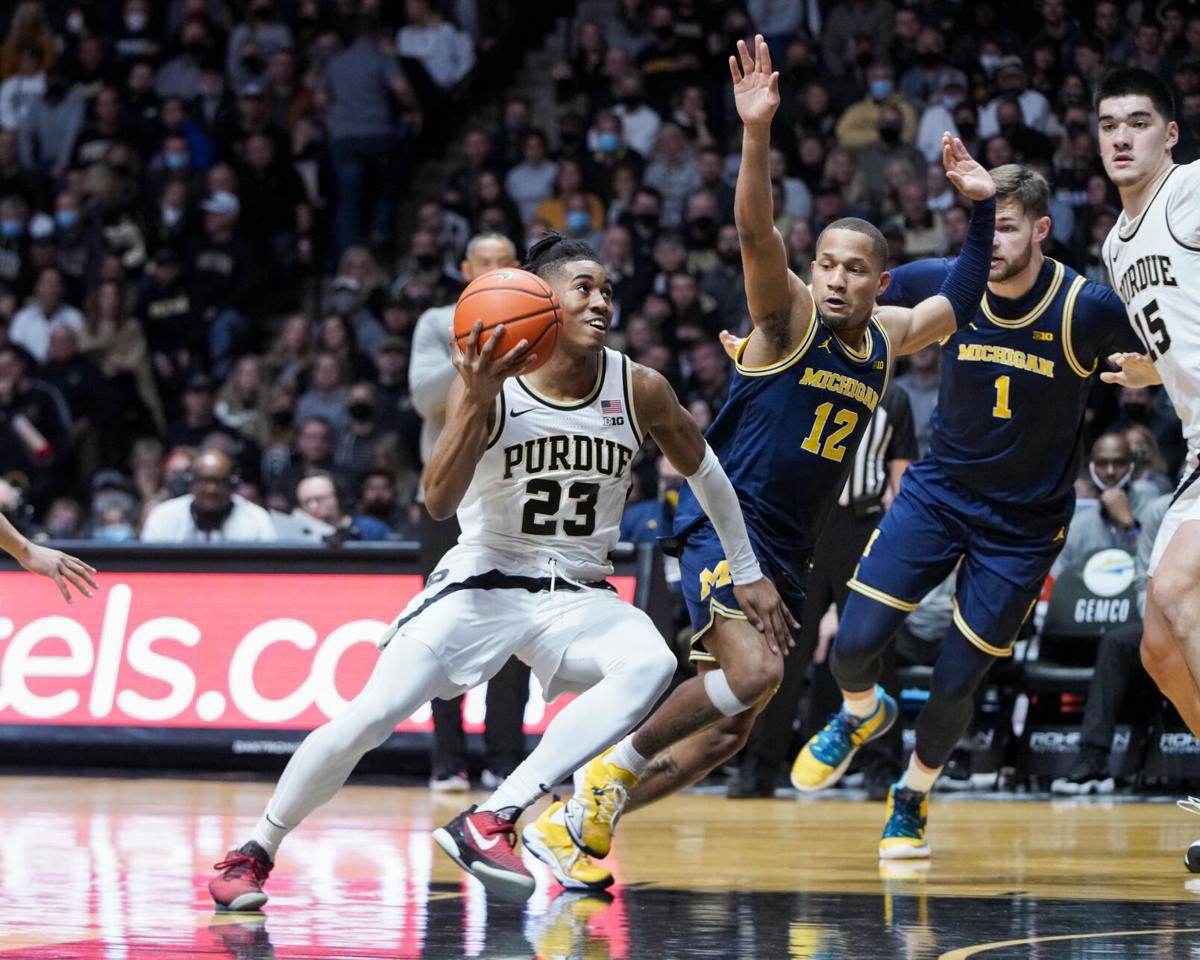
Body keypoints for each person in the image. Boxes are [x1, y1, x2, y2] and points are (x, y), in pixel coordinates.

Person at [206, 228, 793, 908]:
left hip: (577, 592)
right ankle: (255, 850)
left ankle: (495, 816)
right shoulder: (495, 384)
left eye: (608, 289)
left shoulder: (640, 387)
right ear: (539, 298)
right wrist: (478, 399)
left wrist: (746, 570)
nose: (602, 301)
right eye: (584, 288)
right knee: (371, 716)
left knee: (651, 662)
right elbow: (435, 499)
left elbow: (709, 475)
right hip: (483, 579)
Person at [539, 36, 997, 888]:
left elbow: (959, 301)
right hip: (728, 526)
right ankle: (601, 773)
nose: (834, 279)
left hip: (794, 549)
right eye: (824, 263)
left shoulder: (889, 341)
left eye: (854, 270)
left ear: (879, 281)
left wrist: (979, 210)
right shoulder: (787, 319)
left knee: (726, 731)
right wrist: (756, 133)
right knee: (757, 672)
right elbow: (755, 230)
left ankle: (572, 824)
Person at [791, 160, 1140, 861]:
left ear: (1041, 229)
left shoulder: (1086, 306)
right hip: (938, 494)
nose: (994, 241)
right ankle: (863, 713)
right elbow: (846, 298)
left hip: (1023, 527)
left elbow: (1174, 345)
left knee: (957, 678)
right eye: (984, 226)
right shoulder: (949, 281)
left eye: (1007, 226)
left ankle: (912, 798)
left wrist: (1153, 372)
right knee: (853, 646)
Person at [1094, 67, 1200, 872]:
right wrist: (1151, 372)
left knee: (1174, 592)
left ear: (1169, 135)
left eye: (1138, 122)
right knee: (1159, 645)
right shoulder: (1114, 243)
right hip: (1198, 443)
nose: (1121, 136)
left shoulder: (1189, 191)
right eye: (1107, 125)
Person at [409, 233, 534, 790]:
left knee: (516, 622)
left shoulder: (539, 316)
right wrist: (481, 343)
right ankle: (448, 758)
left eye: (506, 263)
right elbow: (422, 395)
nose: (496, 271)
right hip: (450, 492)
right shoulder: (439, 321)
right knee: (442, 622)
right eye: (486, 264)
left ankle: (506, 755)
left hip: (516, 489)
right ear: (465, 269)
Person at [1051, 493, 1171, 796]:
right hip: (1167, 624)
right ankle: (1093, 757)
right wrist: (1162, 625)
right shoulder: (1162, 508)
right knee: (1116, 643)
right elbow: (1145, 578)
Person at [141, 447, 275, 542]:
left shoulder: (257, 520)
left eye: (219, 482)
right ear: (190, 483)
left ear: (233, 484)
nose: (211, 489)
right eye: (203, 481)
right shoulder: (163, 517)